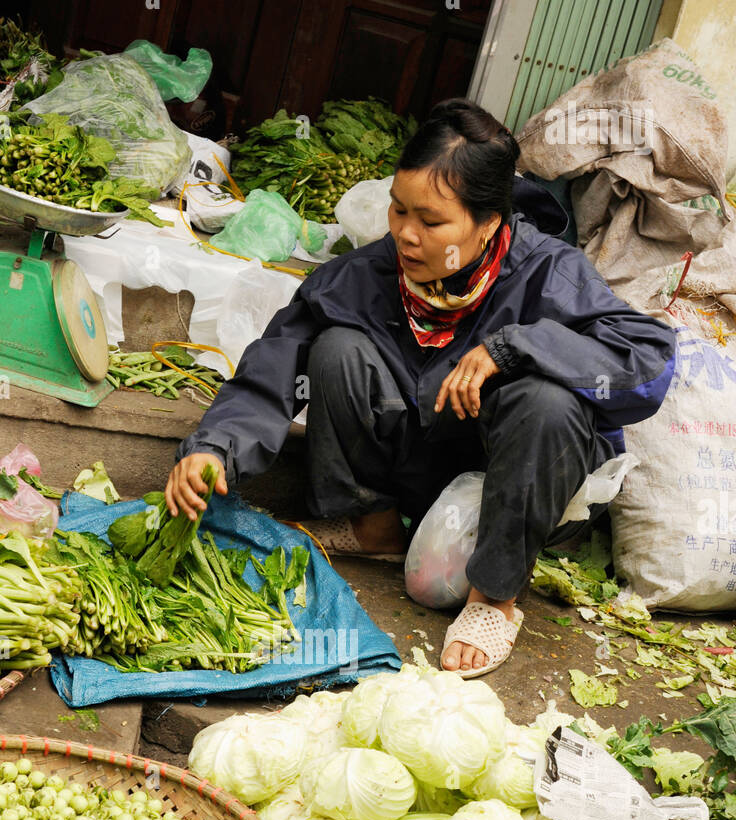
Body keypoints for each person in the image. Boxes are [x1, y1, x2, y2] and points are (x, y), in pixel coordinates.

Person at [165, 98, 676, 677]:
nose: (407, 236)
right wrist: (215, 448)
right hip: (415, 468)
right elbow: (272, 368)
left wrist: (514, 347)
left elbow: (646, 363)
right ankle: (370, 522)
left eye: (432, 222)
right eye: (398, 210)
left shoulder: (548, 272)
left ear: (488, 223)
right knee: (337, 345)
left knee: (547, 399)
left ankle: (495, 597)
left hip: (512, 486)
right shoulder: (367, 274)